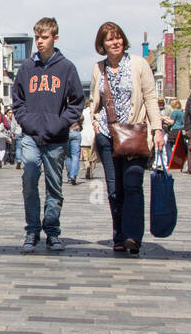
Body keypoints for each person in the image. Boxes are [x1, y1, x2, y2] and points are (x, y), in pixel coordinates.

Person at [88, 21, 164, 256]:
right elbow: (94, 100)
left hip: (135, 135)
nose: (115, 42)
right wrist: (94, 124)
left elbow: (150, 97)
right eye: (109, 39)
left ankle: (132, 236)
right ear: (102, 45)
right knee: (114, 190)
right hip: (107, 136)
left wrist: (157, 129)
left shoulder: (139, 65)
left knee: (132, 184)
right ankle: (119, 236)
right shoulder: (98, 69)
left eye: (118, 37)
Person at [12, 16, 85, 252]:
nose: (40, 42)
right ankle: (32, 231)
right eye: (37, 38)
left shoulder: (66, 68)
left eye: (44, 37)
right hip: (31, 136)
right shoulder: (26, 68)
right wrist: (26, 121)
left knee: (54, 187)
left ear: (55, 38)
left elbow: (77, 101)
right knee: (30, 179)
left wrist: (62, 123)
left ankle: (52, 231)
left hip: (56, 138)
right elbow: (17, 100)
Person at [79, 103, 96, 180]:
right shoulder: (93, 112)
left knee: (86, 155)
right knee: (93, 155)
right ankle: (91, 173)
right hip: (93, 135)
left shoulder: (82, 112)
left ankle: (87, 165)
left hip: (84, 135)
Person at [66, 119, 82, 184]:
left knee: (68, 156)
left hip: (66, 132)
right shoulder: (76, 109)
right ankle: (73, 175)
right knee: (75, 155)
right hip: (75, 131)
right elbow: (81, 118)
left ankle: (70, 178)